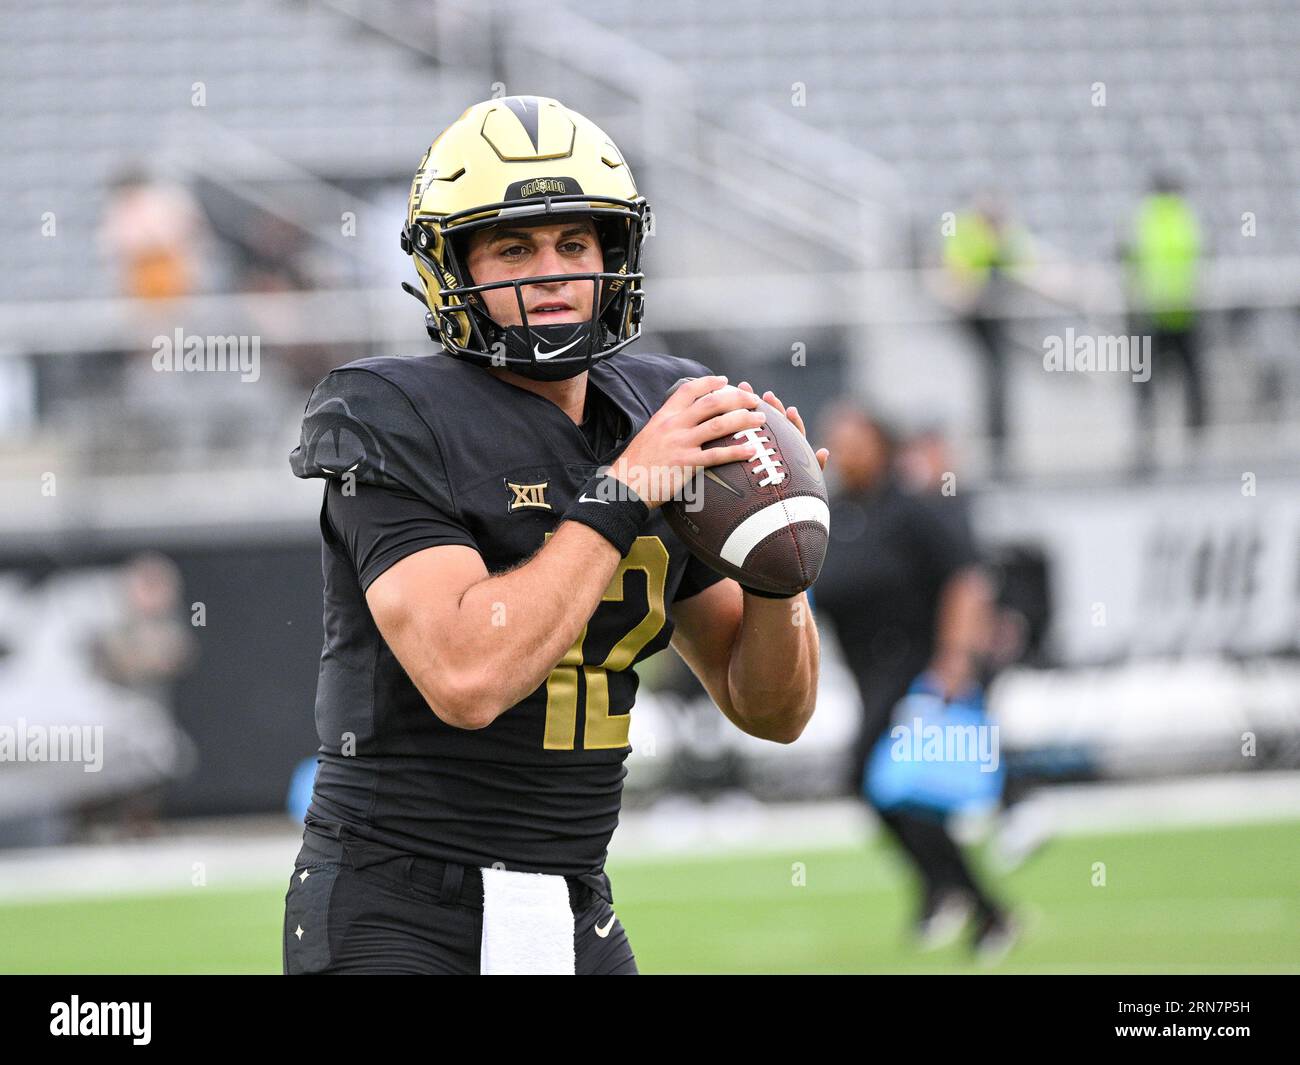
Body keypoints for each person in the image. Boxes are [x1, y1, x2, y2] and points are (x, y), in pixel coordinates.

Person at [282, 96, 829, 975]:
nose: (553, 272)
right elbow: (468, 675)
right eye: (513, 247)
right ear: (448, 265)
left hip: (574, 902)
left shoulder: (662, 405)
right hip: (399, 905)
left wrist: (779, 555)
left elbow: (772, 709)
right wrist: (621, 493)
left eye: (575, 243)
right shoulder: (386, 412)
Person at [810, 404, 1018, 960]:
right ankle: (973, 902)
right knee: (894, 792)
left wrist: (954, 658)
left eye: (852, 439)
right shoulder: (834, 514)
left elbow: (966, 577)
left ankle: (976, 866)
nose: (841, 450)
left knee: (877, 779)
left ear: (880, 443)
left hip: (914, 666)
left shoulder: (911, 509)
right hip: (868, 672)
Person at [1124, 173, 1204, 463]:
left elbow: (1127, 258)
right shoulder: (1188, 216)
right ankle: (1194, 441)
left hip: (1152, 313)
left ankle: (1148, 442)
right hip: (1183, 311)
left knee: (1147, 380)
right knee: (1190, 378)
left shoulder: (1142, 218)